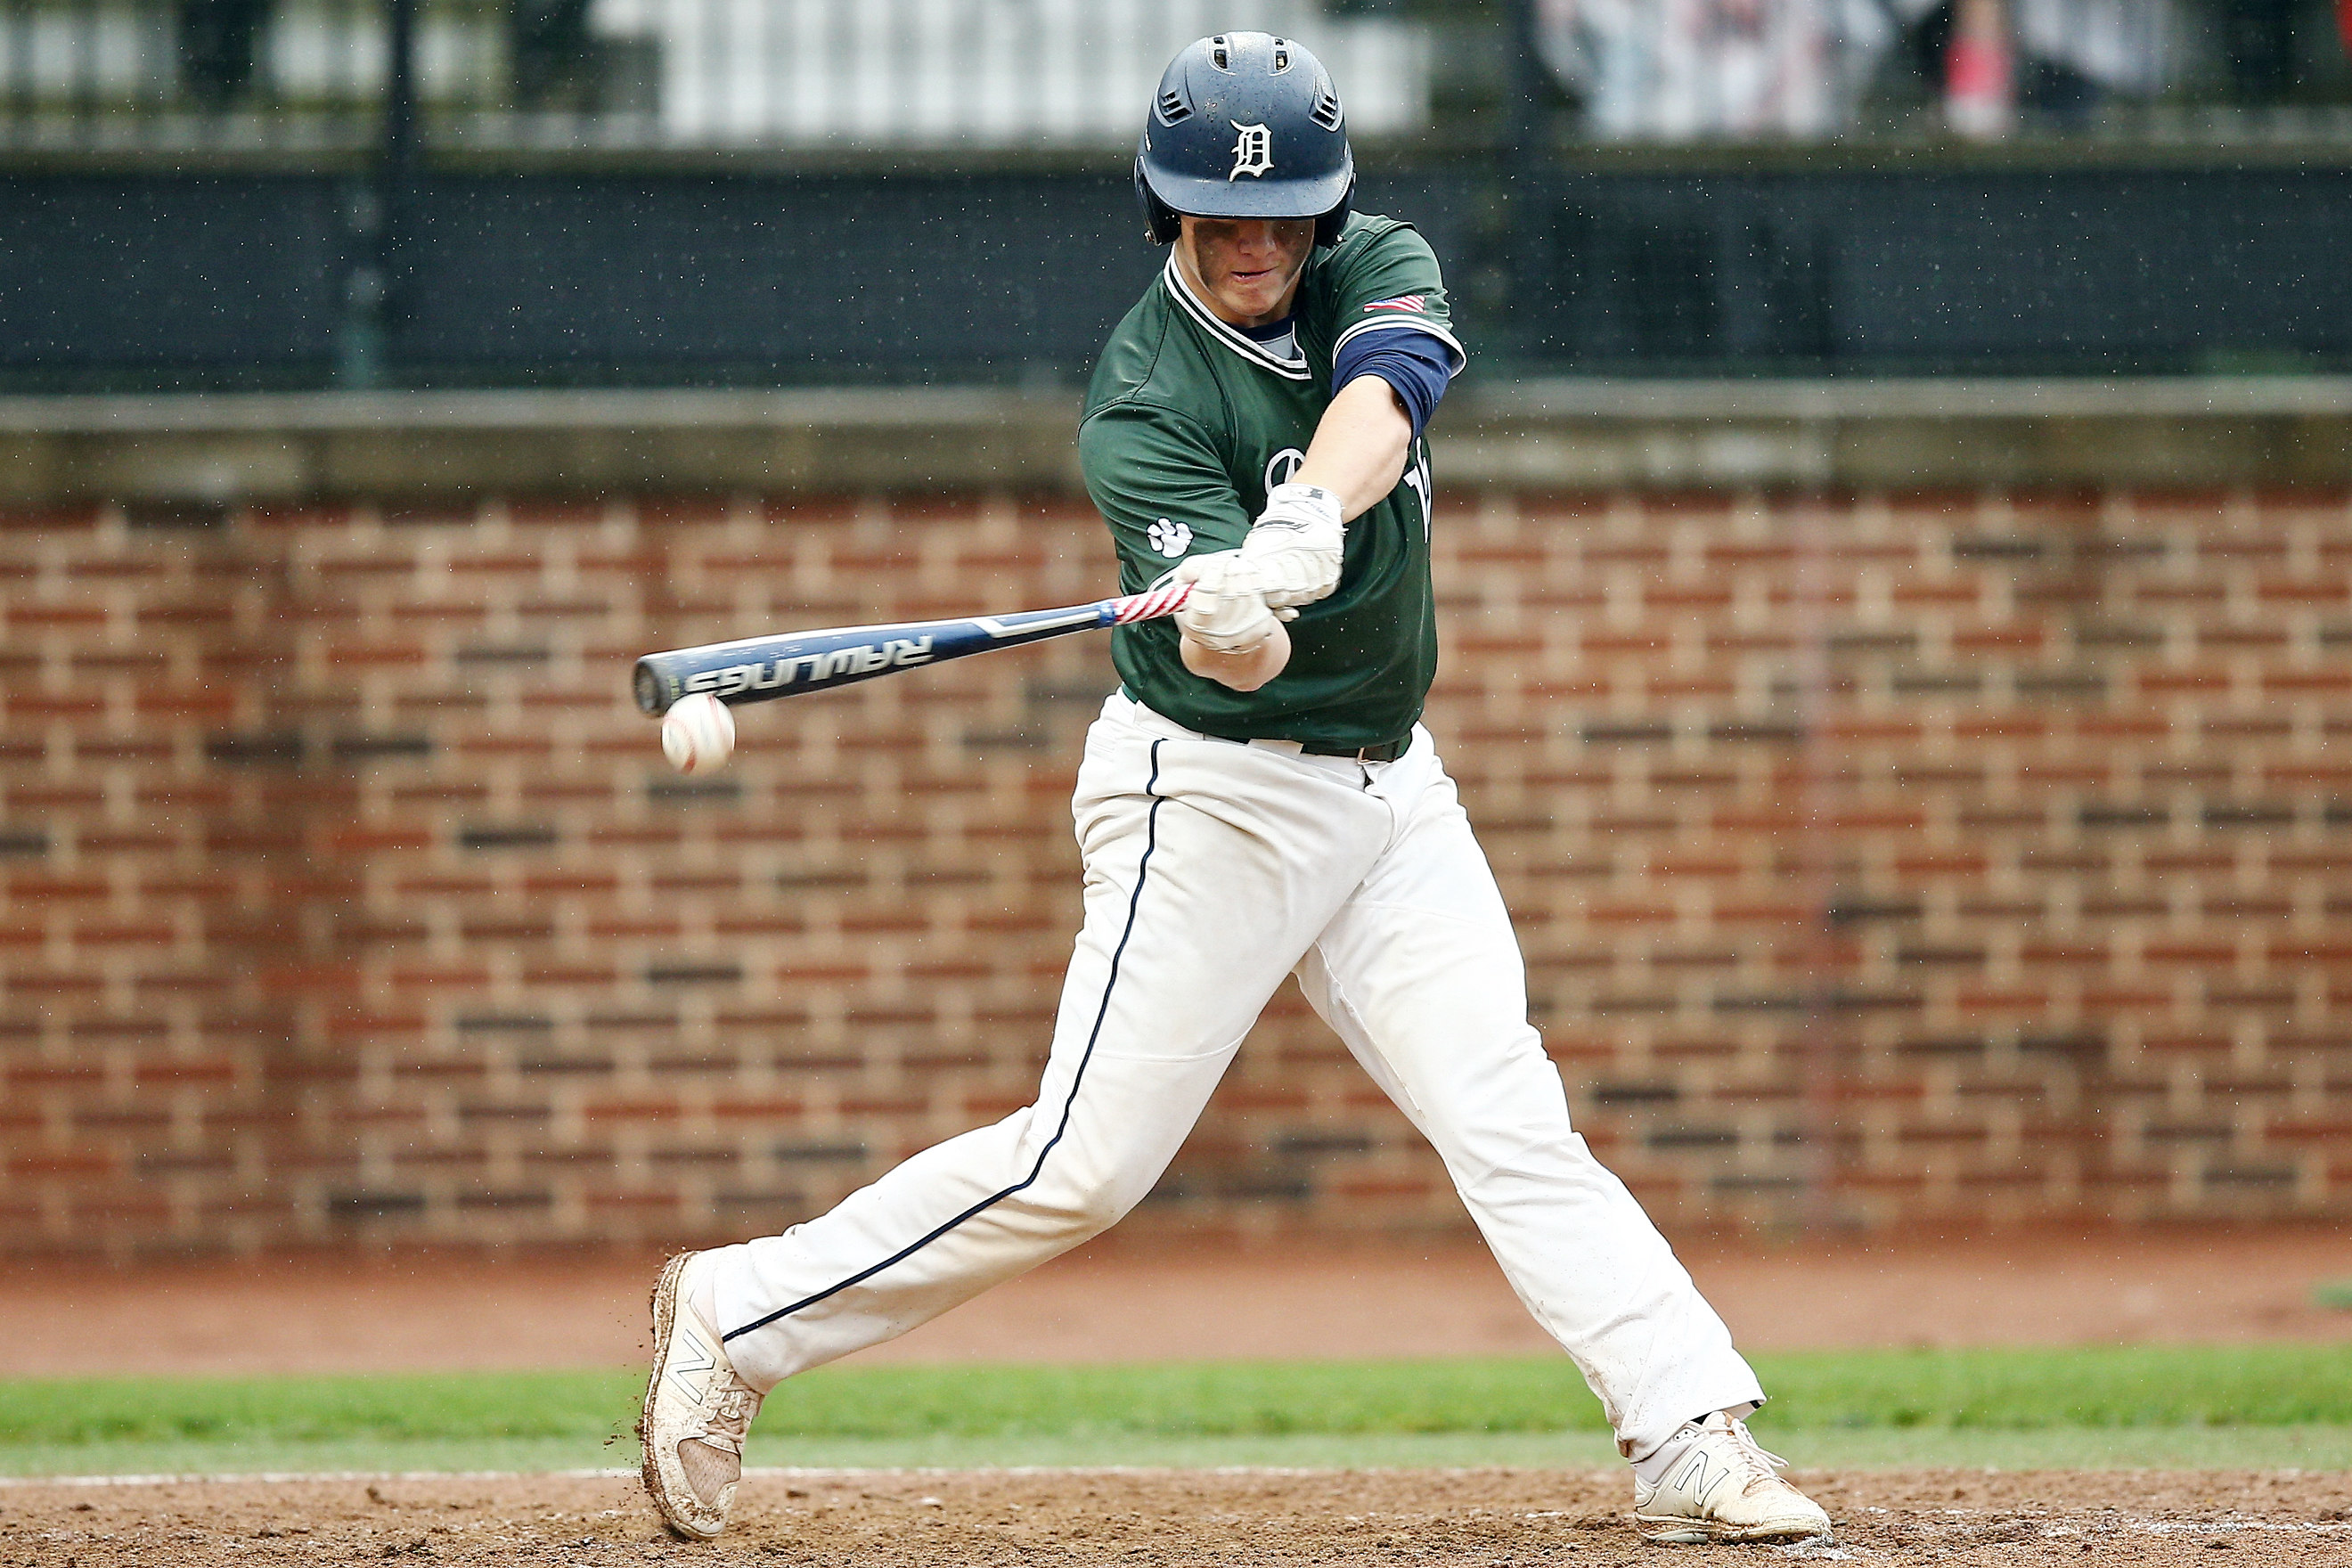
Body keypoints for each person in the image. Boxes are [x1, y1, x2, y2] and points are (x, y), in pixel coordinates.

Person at [638, 30, 1832, 1549]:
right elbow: (1248, 669)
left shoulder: (1376, 259)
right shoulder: (1140, 402)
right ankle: (737, 1313)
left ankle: (1687, 1430)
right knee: (1080, 1168)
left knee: (1507, 1114)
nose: (1258, 240)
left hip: (1392, 789)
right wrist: (1232, 613)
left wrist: (1306, 519)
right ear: (1168, 211)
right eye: (1221, 213)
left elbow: (1390, 392)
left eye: (1284, 213)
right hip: (1211, 795)